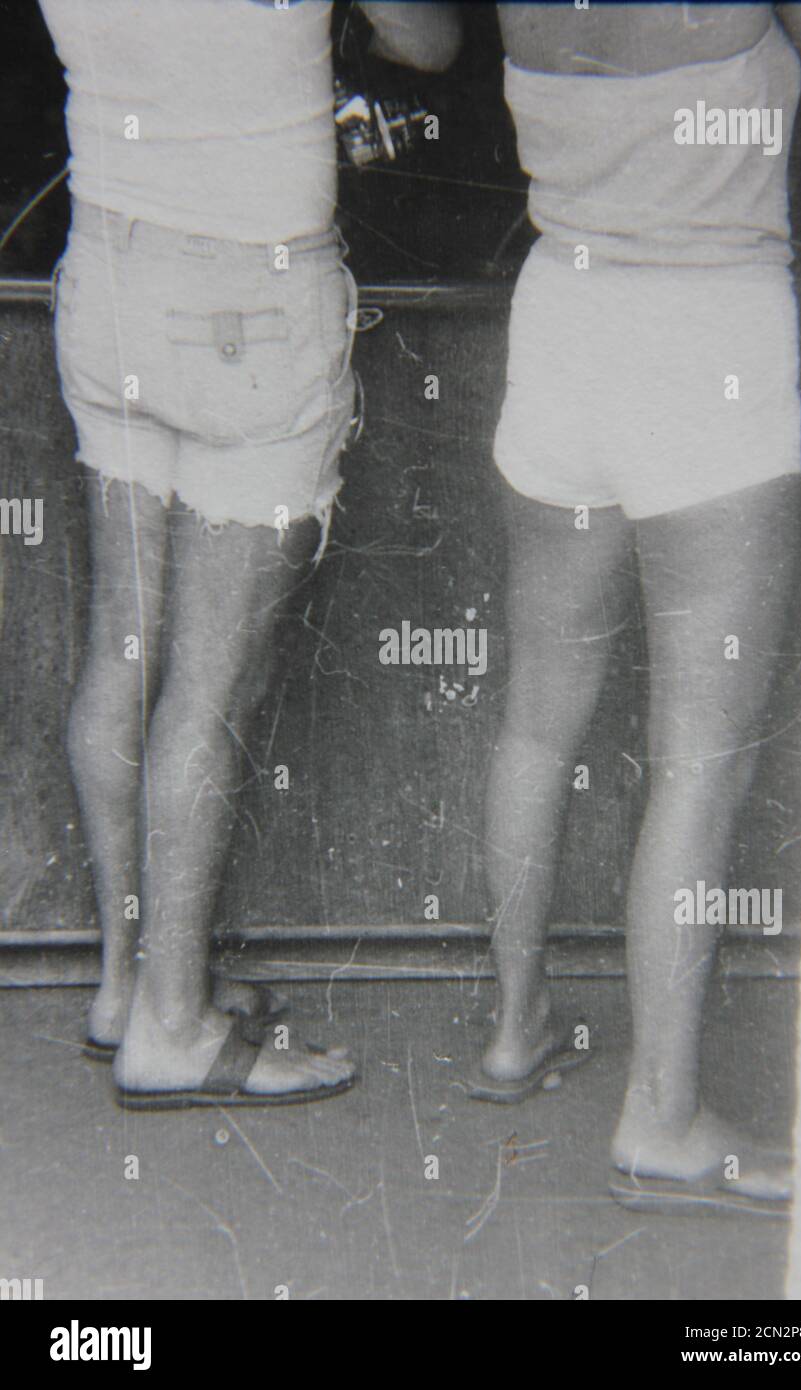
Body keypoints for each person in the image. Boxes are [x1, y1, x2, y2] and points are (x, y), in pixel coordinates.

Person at [477, 1, 801, 1212]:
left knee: (538, 719)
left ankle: (512, 1026)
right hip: (708, 341)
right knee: (697, 762)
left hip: (561, 324)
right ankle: (662, 1116)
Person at [42, 0, 460, 1108]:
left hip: (107, 276)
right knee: (208, 693)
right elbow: (429, 40)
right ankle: (176, 1030)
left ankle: (127, 986)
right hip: (250, 294)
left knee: (122, 651)